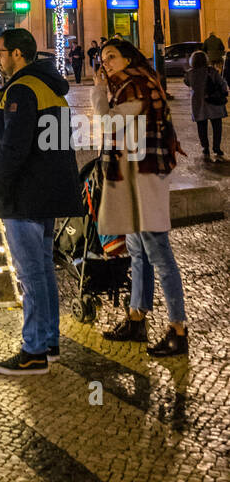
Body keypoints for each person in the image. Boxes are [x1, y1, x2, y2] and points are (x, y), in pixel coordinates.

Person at [0, 28, 81, 377]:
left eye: (2, 52)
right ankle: (49, 340)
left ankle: (34, 350)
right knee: (42, 270)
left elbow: (13, 149)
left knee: (30, 274)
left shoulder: (21, 90)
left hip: (25, 195)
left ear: (19, 54)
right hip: (47, 192)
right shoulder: (50, 87)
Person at [93, 38, 188, 357]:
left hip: (144, 174)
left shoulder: (134, 84)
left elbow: (111, 124)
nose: (105, 62)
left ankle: (178, 329)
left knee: (157, 249)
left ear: (128, 58)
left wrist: (97, 94)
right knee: (137, 250)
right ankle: (136, 318)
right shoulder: (130, 83)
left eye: (111, 56)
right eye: (102, 58)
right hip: (134, 174)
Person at [184, 49, 227, 163]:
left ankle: (205, 147)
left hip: (198, 104)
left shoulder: (190, 73)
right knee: (217, 127)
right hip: (214, 104)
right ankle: (216, 148)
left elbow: (187, 82)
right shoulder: (211, 71)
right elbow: (222, 84)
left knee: (201, 127)